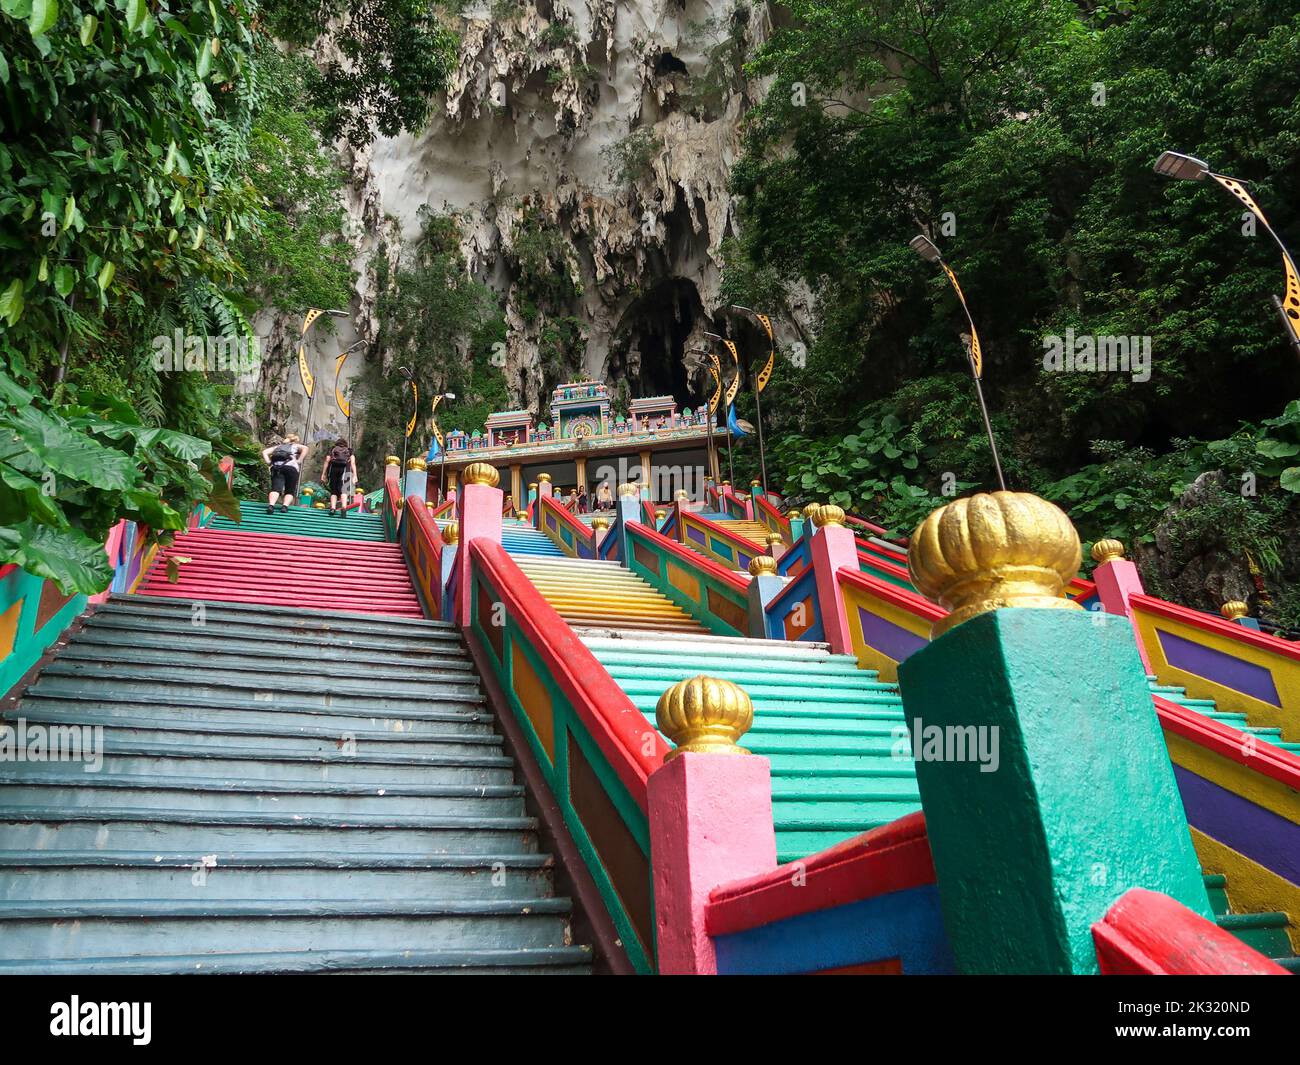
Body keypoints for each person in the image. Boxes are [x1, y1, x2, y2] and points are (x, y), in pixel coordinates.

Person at [262, 434, 307, 514]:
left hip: (277, 468)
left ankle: (271, 505)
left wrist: (269, 462)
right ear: (295, 440)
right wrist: (299, 460)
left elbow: (264, 452)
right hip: (291, 468)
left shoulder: (278, 447)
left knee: (275, 489)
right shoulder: (295, 446)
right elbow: (305, 448)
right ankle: (284, 506)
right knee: (290, 490)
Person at [321, 437, 358, 517]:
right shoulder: (349, 451)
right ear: (345, 444)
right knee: (343, 490)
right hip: (344, 470)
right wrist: (355, 475)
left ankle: (332, 508)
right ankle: (344, 508)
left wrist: (323, 474)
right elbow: (353, 463)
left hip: (333, 470)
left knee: (333, 491)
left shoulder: (332, 449)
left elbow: (327, 460)